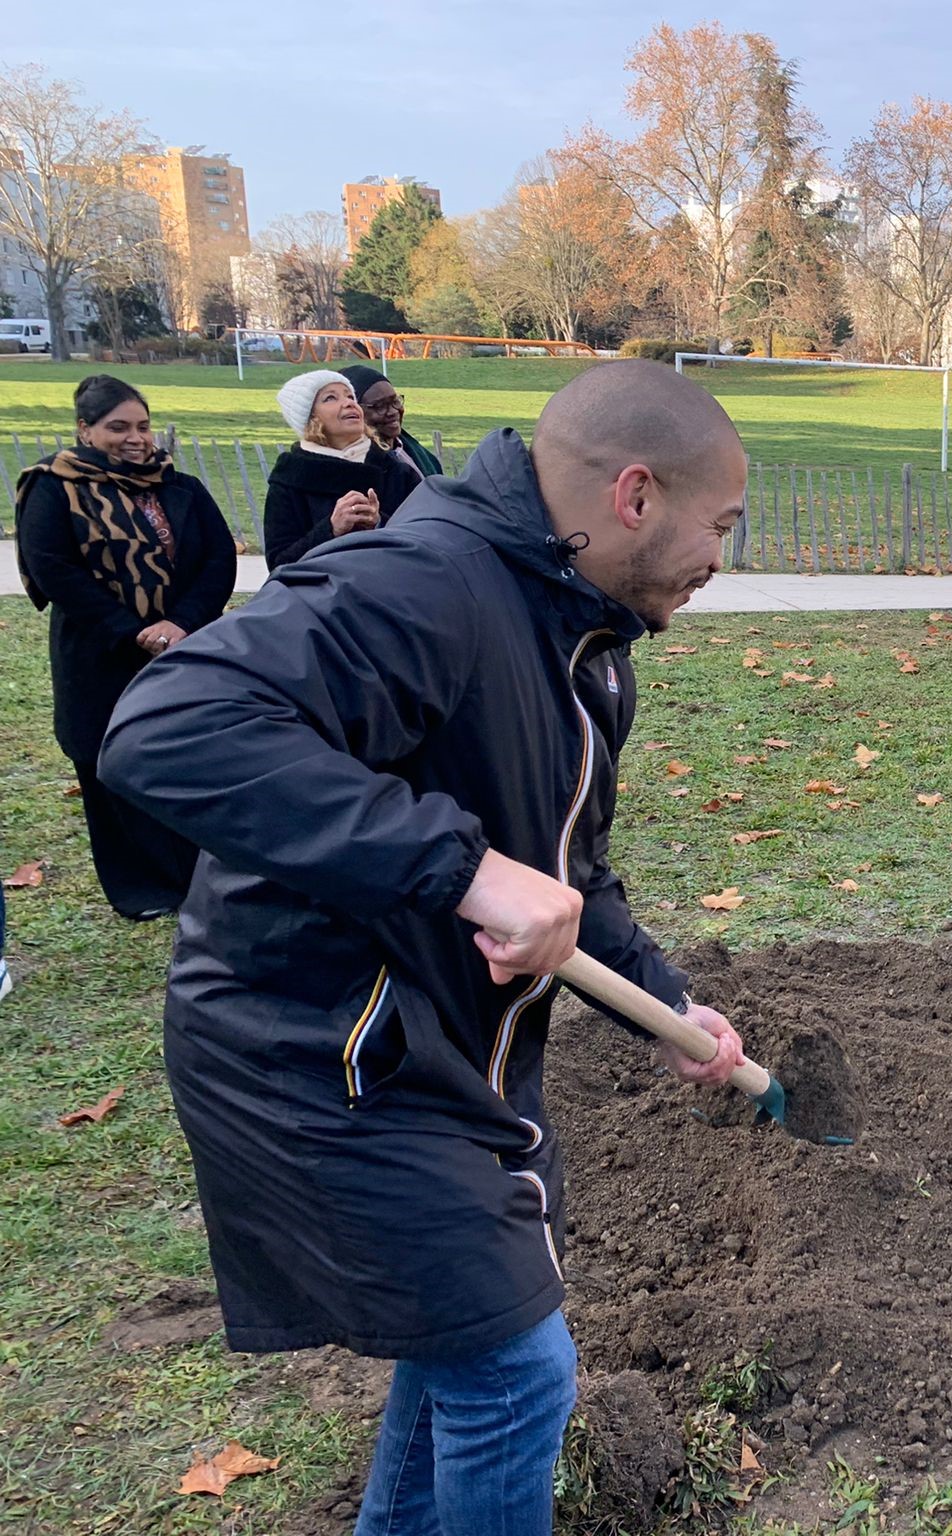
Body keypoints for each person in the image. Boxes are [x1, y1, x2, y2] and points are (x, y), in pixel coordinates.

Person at [98, 360, 751, 1536]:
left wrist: (667, 1004)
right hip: (311, 1054)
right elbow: (166, 726)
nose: (722, 558)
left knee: (463, 1349)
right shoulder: (424, 579)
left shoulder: (584, 645)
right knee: (514, 1370)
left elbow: (567, 877)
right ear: (636, 497)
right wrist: (457, 866)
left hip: (438, 1054)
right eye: (721, 526)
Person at [13, 375, 237, 920]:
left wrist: (180, 623)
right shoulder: (53, 486)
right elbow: (55, 570)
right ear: (85, 429)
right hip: (98, 653)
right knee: (108, 763)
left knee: (184, 758)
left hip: (183, 650)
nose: (135, 438)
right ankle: (141, 889)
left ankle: (196, 878)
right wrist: (131, 629)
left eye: (141, 425)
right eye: (118, 427)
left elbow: (218, 559)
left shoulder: (177, 486)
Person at [262, 369, 421, 570]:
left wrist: (379, 524)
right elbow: (279, 564)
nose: (348, 402)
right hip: (323, 599)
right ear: (311, 418)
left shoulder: (396, 471)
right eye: (330, 398)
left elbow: (427, 540)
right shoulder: (291, 477)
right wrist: (331, 529)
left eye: (350, 396)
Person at [342, 364, 444, 479]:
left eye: (395, 401)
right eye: (379, 406)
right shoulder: (354, 468)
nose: (393, 411)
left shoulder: (421, 455)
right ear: (354, 412)